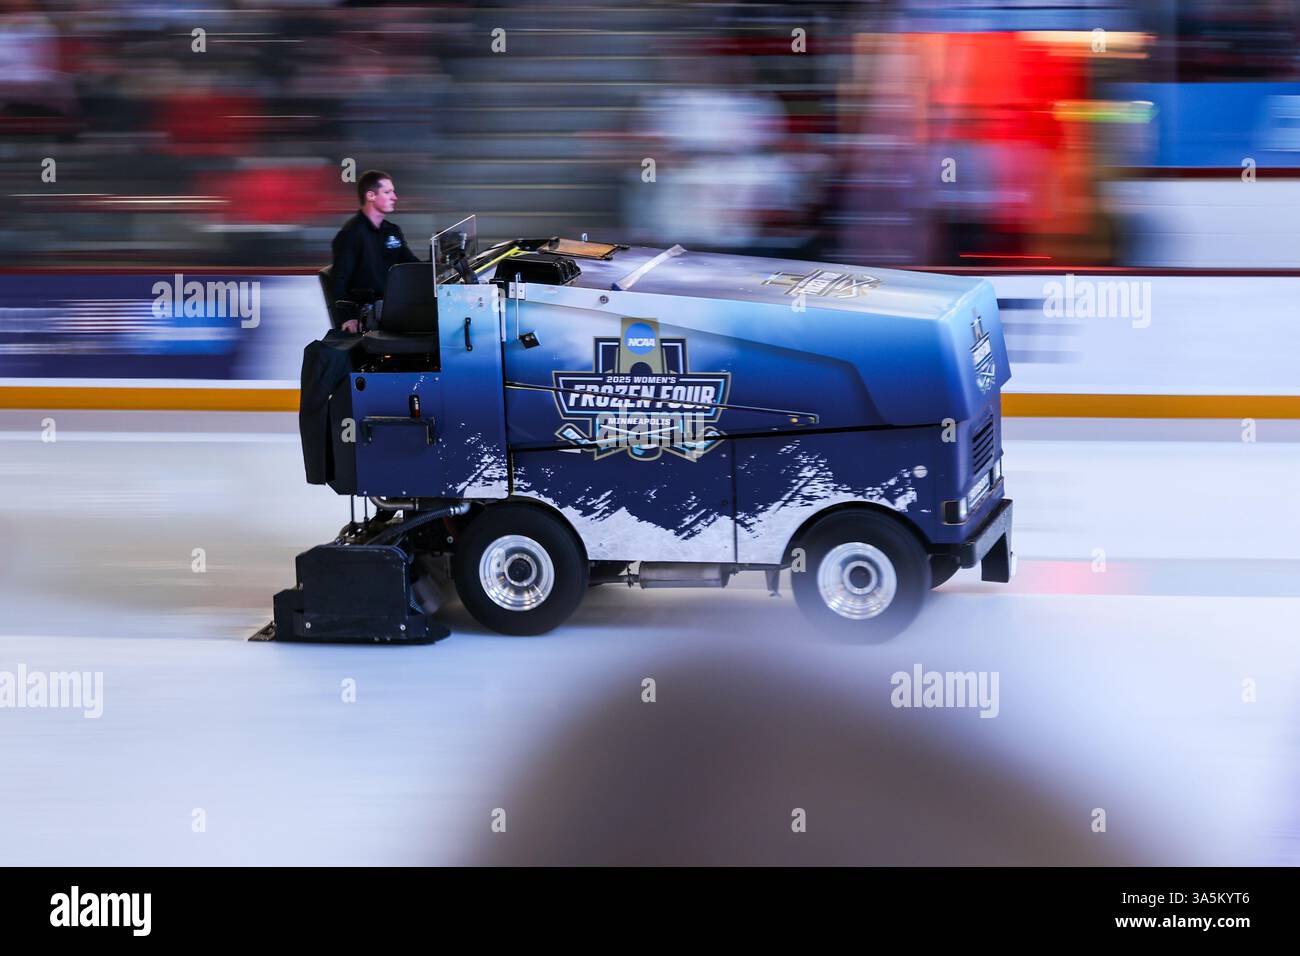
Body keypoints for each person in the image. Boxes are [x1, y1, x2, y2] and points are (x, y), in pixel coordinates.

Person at [330, 169, 419, 332]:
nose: (394, 197)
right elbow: (339, 281)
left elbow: (412, 266)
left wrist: (439, 264)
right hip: (371, 314)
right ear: (371, 196)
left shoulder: (392, 230)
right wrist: (348, 318)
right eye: (388, 192)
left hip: (395, 306)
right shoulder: (351, 234)